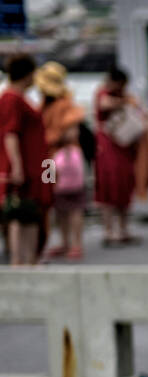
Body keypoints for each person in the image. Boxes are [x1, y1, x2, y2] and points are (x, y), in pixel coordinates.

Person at [93, 67, 148, 247]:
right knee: (107, 187)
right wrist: (127, 102)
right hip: (107, 147)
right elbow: (105, 104)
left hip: (124, 147)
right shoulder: (105, 93)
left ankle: (123, 229)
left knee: (124, 186)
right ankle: (109, 230)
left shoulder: (123, 95)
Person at [0, 53, 51, 266]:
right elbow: (10, 133)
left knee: (30, 211)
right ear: (27, 74)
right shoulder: (12, 98)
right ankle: (19, 259)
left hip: (34, 164)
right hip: (25, 165)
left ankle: (30, 259)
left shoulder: (15, 97)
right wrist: (17, 166)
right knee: (19, 213)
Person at [36, 61, 86, 261]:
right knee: (56, 203)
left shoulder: (65, 106)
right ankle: (64, 242)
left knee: (73, 203)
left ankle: (75, 243)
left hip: (64, 160)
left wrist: (50, 137)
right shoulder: (44, 106)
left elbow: (71, 132)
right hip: (48, 161)